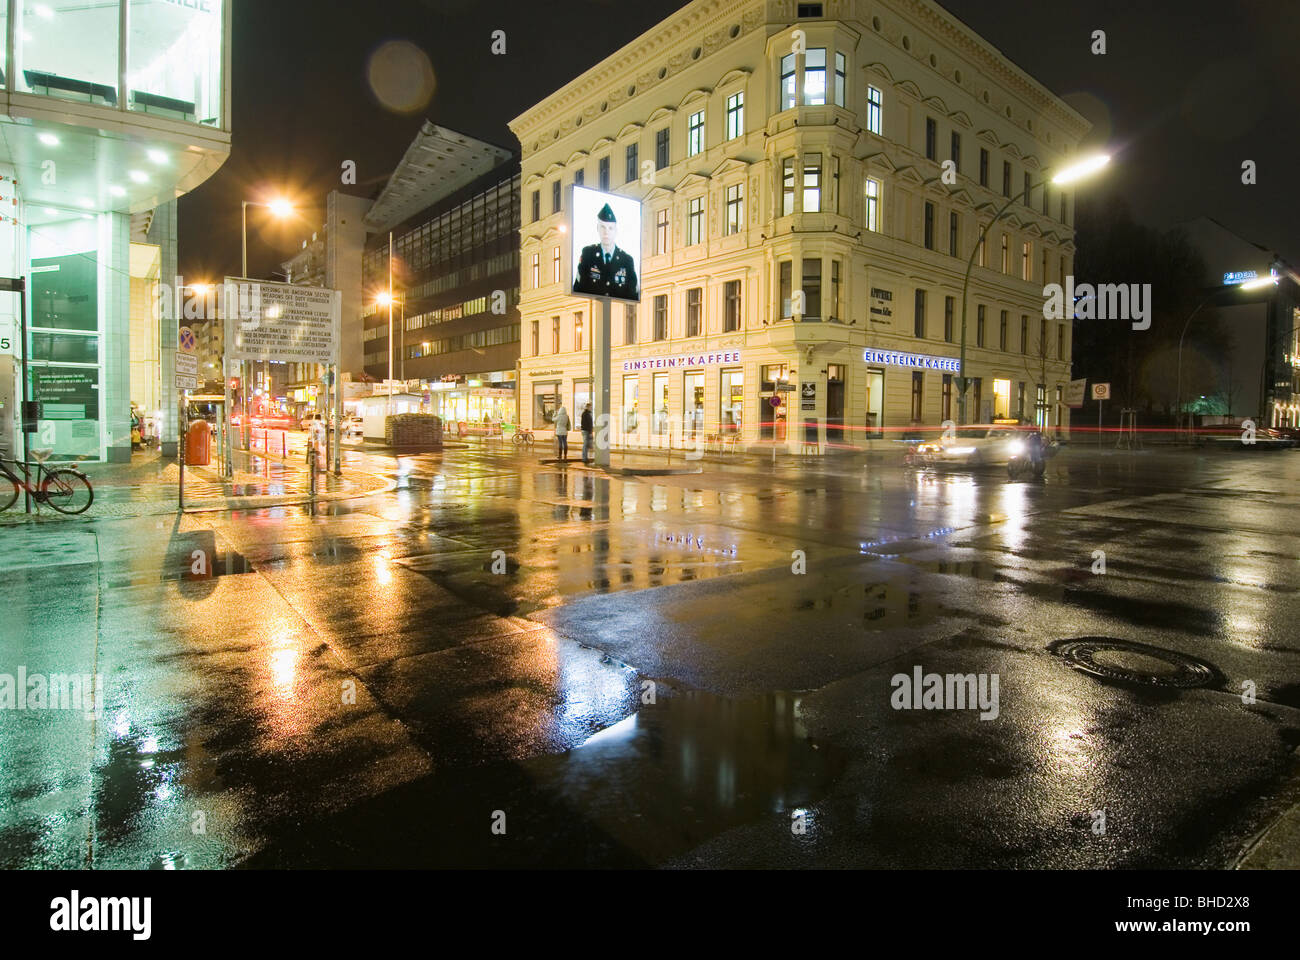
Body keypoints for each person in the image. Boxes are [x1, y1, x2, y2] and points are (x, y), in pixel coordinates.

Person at [573, 203, 638, 298]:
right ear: (597, 228)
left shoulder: (627, 260)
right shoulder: (588, 254)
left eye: (610, 228)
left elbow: (633, 295)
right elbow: (578, 288)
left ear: (616, 231)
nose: (606, 232)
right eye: (603, 227)